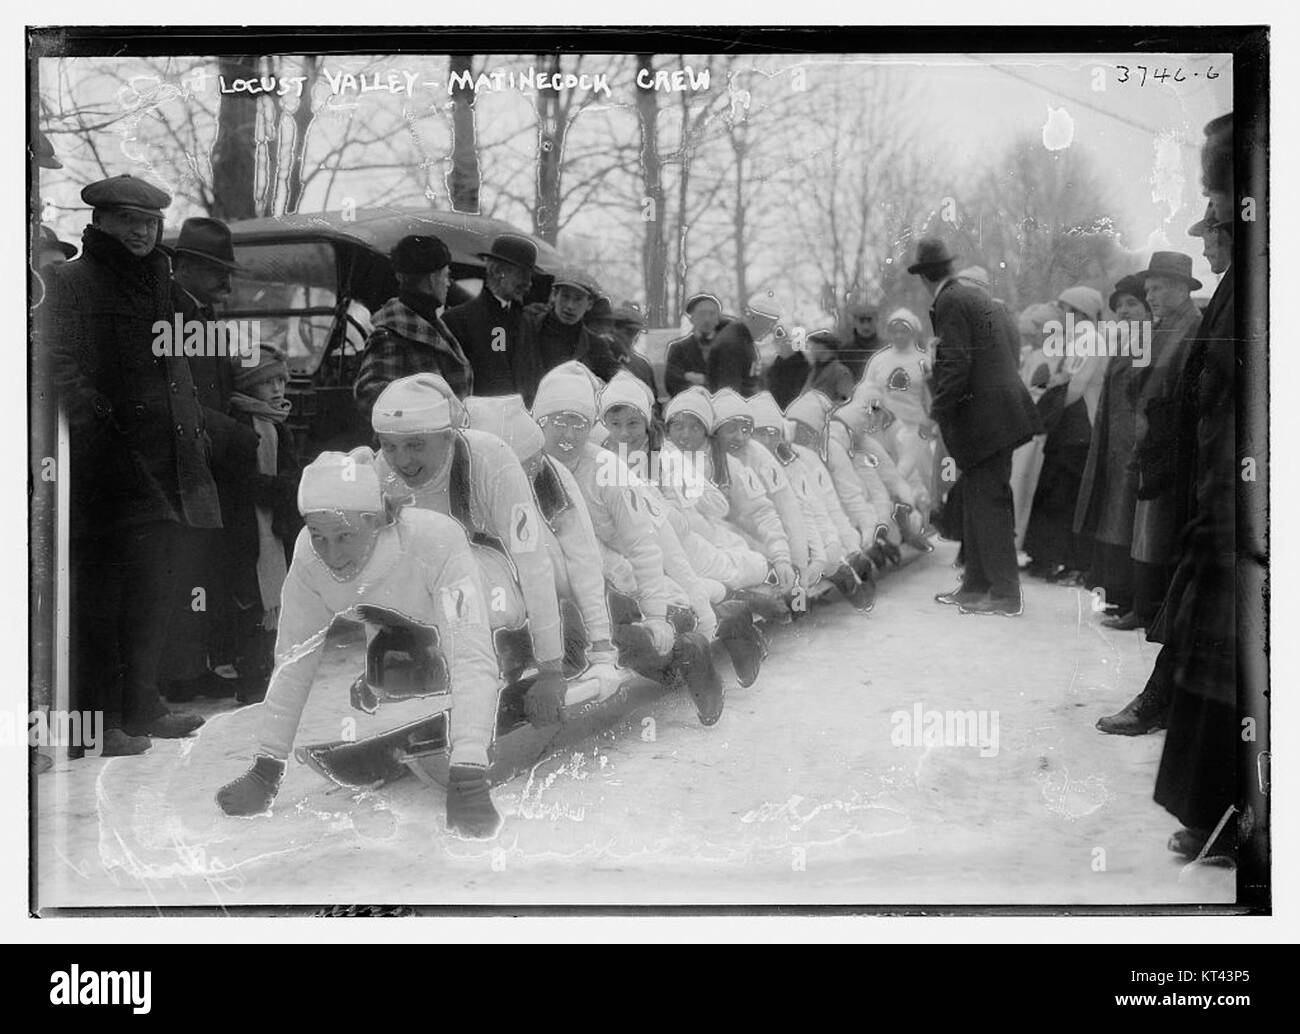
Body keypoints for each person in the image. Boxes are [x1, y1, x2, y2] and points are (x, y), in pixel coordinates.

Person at [215, 449, 504, 838]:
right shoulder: (308, 558)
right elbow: (292, 661)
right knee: (390, 674)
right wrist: (267, 768)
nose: (332, 554)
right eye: (320, 537)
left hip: (496, 602)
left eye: (345, 536)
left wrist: (469, 771)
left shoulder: (435, 539)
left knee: (481, 655)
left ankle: (512, 684)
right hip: (404, 626)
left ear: (375, 522)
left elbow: (470, 655)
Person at [45, 174, 215, 753]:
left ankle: (143, 707)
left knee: (153, 590)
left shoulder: (159, 283)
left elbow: (178, 367)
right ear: (100, 223)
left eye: (149, 222)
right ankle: (106, 719)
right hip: (108, 464)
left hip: (166, 456)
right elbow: (54, 361)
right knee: (103, 596)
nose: (141, 232)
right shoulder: (69, 282)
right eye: (128, 221)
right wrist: (93, 423)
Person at [1149, 115, 1244, 862]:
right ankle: (1212, 807)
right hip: (1219, 490)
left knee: (1238, 661)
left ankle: (1229, 811)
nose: (1212, 231)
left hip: (1240, 499)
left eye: (1217, 216)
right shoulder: (1237, 287)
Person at [369, 374, 569, 728]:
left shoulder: (493, 459)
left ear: (447, 437)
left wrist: (550, 669)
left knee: (456, 568)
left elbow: (533, 563)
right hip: (444, 586)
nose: (402, 461)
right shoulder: (381, 472)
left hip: (508, 578)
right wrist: (376, 669)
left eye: (416, 445)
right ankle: (418, 677)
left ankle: (500, 660)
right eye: (390, 446)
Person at [532, 363, 723, 724]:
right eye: (557, 421)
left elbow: (647, 546)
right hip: (571, 578)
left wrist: (657, 617)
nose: (568, 433)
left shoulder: (609, 470)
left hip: (623, 580)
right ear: (538, 422)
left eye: (579, 423)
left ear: (591, 427)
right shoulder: (530, 466)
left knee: (607, 634)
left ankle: (684, 646)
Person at [909, 236, 1039, 615]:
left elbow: (957, 364)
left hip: (985, 421)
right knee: (979, 501)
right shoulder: (976, 298)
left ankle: (1004, 594)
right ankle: (976, 585)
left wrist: (937, 414)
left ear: (923, 278)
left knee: (989, 504)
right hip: (998, 416)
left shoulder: (950, 301)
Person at [463, 393, 623, 702]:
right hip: (513, 610)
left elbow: (584, 560)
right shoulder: (473, 486)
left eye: (537, 459)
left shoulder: (551, 477)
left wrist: (601, 648)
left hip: (568, 605)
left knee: (588, 635)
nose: (535, 469)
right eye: (525, 465)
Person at [162, 216, 262, 703]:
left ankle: (197, 664)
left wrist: (251, 411)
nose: (227, 280)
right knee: (188, 567)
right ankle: (181, 673)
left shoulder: (203, 319)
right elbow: (175, 395)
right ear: (185, 268)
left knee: (208, 568)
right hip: (185, 464)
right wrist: (234, 435)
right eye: (216, 269)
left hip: (213, 460)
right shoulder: (169, 318)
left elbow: (217, 392)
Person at [217, 347, 301, 703]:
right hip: (246, 531)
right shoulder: (239, 428)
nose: (278, 388)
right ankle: (251, 678)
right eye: (268, 381)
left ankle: (266, 671)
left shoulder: (277, 426)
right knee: (250, 604)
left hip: (272, 529)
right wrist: (284, 487)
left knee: (272, 600)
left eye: (281, 380)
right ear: (249, 384)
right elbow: (240, 483)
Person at [1126, 252, 1203, 631]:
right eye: (1148, 289)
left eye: (1157, 288)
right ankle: (1144, 607)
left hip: (1168, 438)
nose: (1151, 296)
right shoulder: (1162, 326)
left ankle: (1153, 611)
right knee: (1147, 522)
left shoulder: (1192, 328)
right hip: (1150, 434)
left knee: (1160, 523)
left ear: (1180, 288)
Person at [1074, 276, 1149, 631]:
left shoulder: (1148, 342)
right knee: (1115, 520)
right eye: (1119, 307)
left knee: (1128, 522)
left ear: (1147, 308)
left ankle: (1132, 599)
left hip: (1132, 444)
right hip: (1114, 443)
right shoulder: (1127, 342)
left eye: (1132, 304)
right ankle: (1119, 595)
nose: (1124, 312)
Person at [1022, 285, 1106, 582]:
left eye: (1065, 309)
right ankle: (1045, 555)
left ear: (1079, 312)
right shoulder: (1077, 339)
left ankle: (1070, 561)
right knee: (1052, 491)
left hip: (1078, 427)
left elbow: (1074, 386)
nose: (1061, 315)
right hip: (1067, 426)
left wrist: (1045, 412)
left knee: (1067, 494)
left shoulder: (1090, 340)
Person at [711, 389, 822, 593]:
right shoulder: (701, 458)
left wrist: (797, 566)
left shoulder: (759, 455)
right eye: (731, 429)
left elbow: (788, 509)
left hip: (766, 537)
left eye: (745, 429)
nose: (740, 437)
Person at [354, 234, 473, 420]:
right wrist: (424, 413)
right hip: (415, 445)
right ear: (433, 279)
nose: (448, 283)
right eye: (446, 275)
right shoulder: (390, 334)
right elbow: (371, 397)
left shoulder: (431, 324)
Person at [442, 233, 537, 397]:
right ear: (496, 270)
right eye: (522, 274)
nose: (529, 284)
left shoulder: (526, 321)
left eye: (530, 275)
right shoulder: (457, 320)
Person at [515, 267, 620, 406]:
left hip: (565, 420)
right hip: (524, 414)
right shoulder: (527, 324)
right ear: (554, 295)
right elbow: (499, 349)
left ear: (589, 304)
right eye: (565, 296)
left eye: (578, 299)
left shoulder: (595, 345)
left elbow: (620, 378)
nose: (570, 306)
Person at [859, 308, 935, 499]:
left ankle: (926, 522)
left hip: (915, 430)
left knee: (919, 482)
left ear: (913, 332)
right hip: (885, 430)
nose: (899, 335)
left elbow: (932, 398)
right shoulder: (878, 360)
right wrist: (872, 418)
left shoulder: (923, 361)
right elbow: (868, 393)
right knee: (885, 483)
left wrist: (931, 423)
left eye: (904, 330)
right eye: (895, 330)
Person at [707, 293, 780, 395]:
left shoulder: (743, 338)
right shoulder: (732, 344)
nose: (771, 329)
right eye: (769, 323)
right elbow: (728, 396)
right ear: (754, 318)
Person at [664, 292, 726, 396]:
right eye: (702, 314)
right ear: (691, 318)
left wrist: (699, 379)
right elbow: (672, 383)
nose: (707, 319)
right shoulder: (678, 349)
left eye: (712, 314)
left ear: (717, 319)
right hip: (692, 405)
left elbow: (736, 382)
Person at [837, 300, 883, 380]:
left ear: (876, 321)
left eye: (869, 320)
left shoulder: (885, 349)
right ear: (854, 323)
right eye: (861, 321)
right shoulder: (845, 352)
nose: (866, 326)